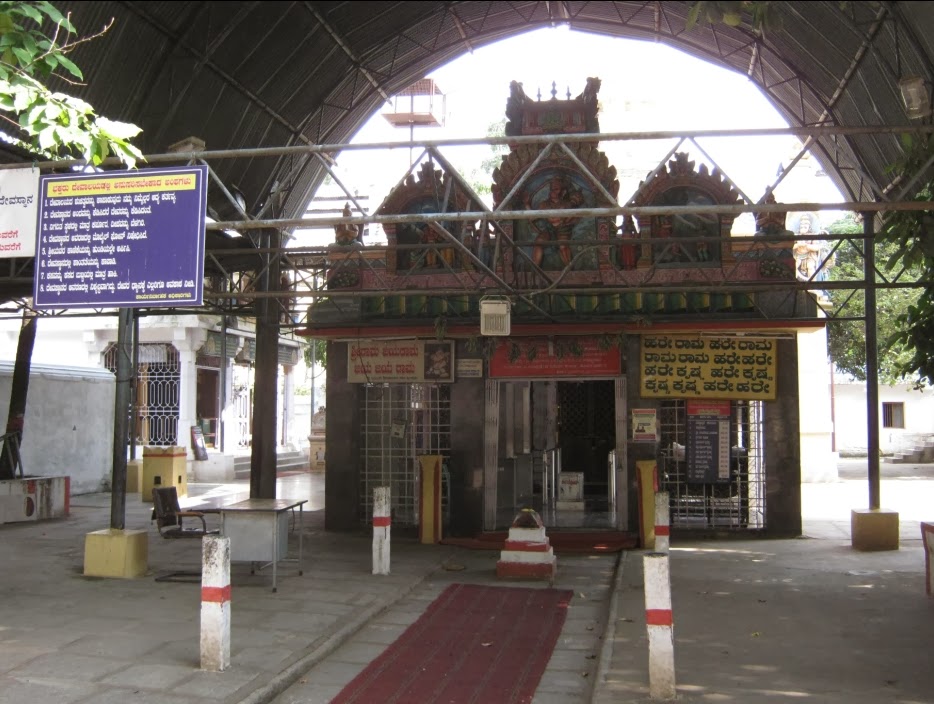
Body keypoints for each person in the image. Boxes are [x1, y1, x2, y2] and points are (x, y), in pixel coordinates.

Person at [524, 175, 583, 267]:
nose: (552, 192)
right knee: (538, 242)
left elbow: (574, 218)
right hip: (549, 230)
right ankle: (535, 269)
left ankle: (569, 270)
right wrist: (527, 204)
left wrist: (567, 221)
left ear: (563, 192)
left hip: (563, 230)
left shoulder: (567, 204)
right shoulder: (544, 205)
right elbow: (532, 218)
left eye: (556, 189)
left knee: (563, 246)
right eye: (551, 189)